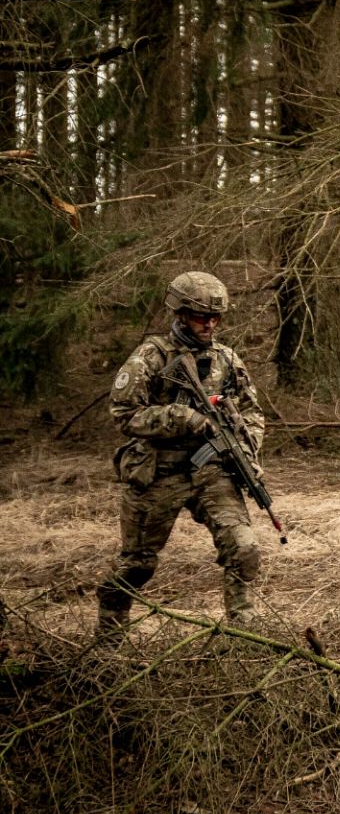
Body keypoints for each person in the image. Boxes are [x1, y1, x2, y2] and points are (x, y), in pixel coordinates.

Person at [98, 271, 267, 637]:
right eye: (200, 316)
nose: (209, 324)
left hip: (212, 471)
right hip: (159, 472)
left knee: (244, 550)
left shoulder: (226, 359)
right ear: (179, 313)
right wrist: (181, 417)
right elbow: (124, 414)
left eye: (215, 317)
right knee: (137, 566)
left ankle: (246, 635)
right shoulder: (151, 357)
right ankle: (108, 639)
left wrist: (246, 445)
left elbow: (252, 411)